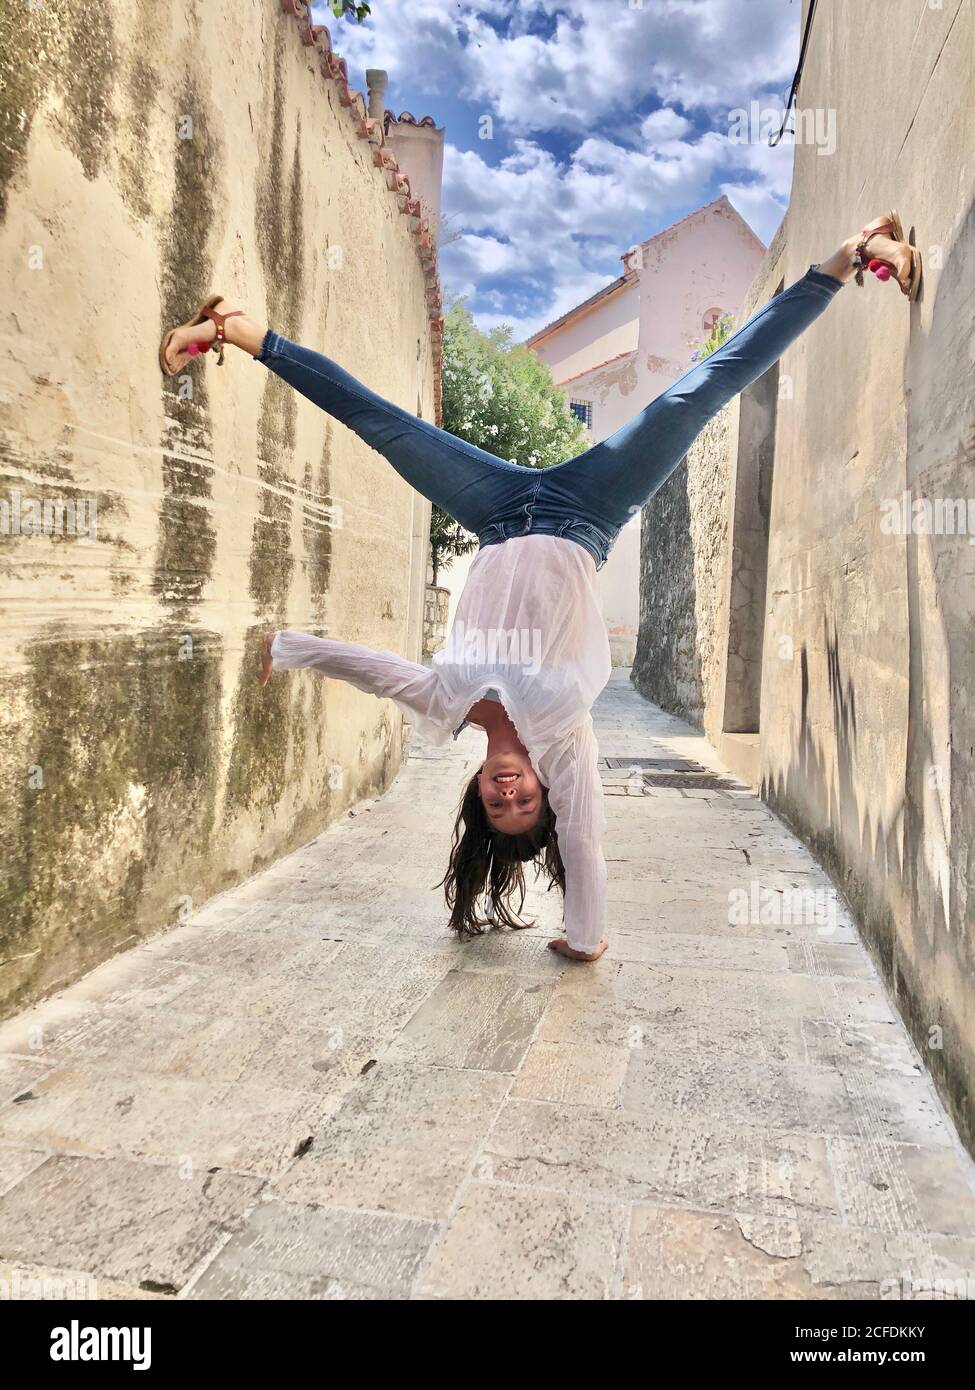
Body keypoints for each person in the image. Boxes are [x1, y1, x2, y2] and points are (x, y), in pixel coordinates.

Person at [160, 214, 920, 961]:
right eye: (527, 804)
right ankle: (845, 258)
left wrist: (287, 648)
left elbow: (373, 669)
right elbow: (583, 838)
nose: (510, 796)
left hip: (492, 512)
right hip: (588, 511)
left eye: (499, 807)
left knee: (379, 422)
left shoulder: (444, 706)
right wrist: (584, 939)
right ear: (543, 793)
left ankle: (232, 328)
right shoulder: (562, 736)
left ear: (478, 797)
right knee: (696, 395)